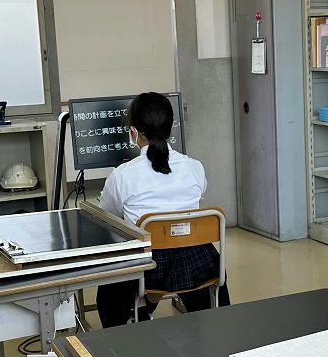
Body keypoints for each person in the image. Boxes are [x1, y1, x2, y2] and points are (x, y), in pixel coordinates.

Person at [96, 92, 230, 327]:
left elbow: (108, 217)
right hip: (197, 266)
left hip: (145, 269)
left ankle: (120, 332)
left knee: (108, 293)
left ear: (134, 132)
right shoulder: (194, 167)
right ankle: (219, 326)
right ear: (172, 128)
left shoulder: (122, 176)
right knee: (191, 257)